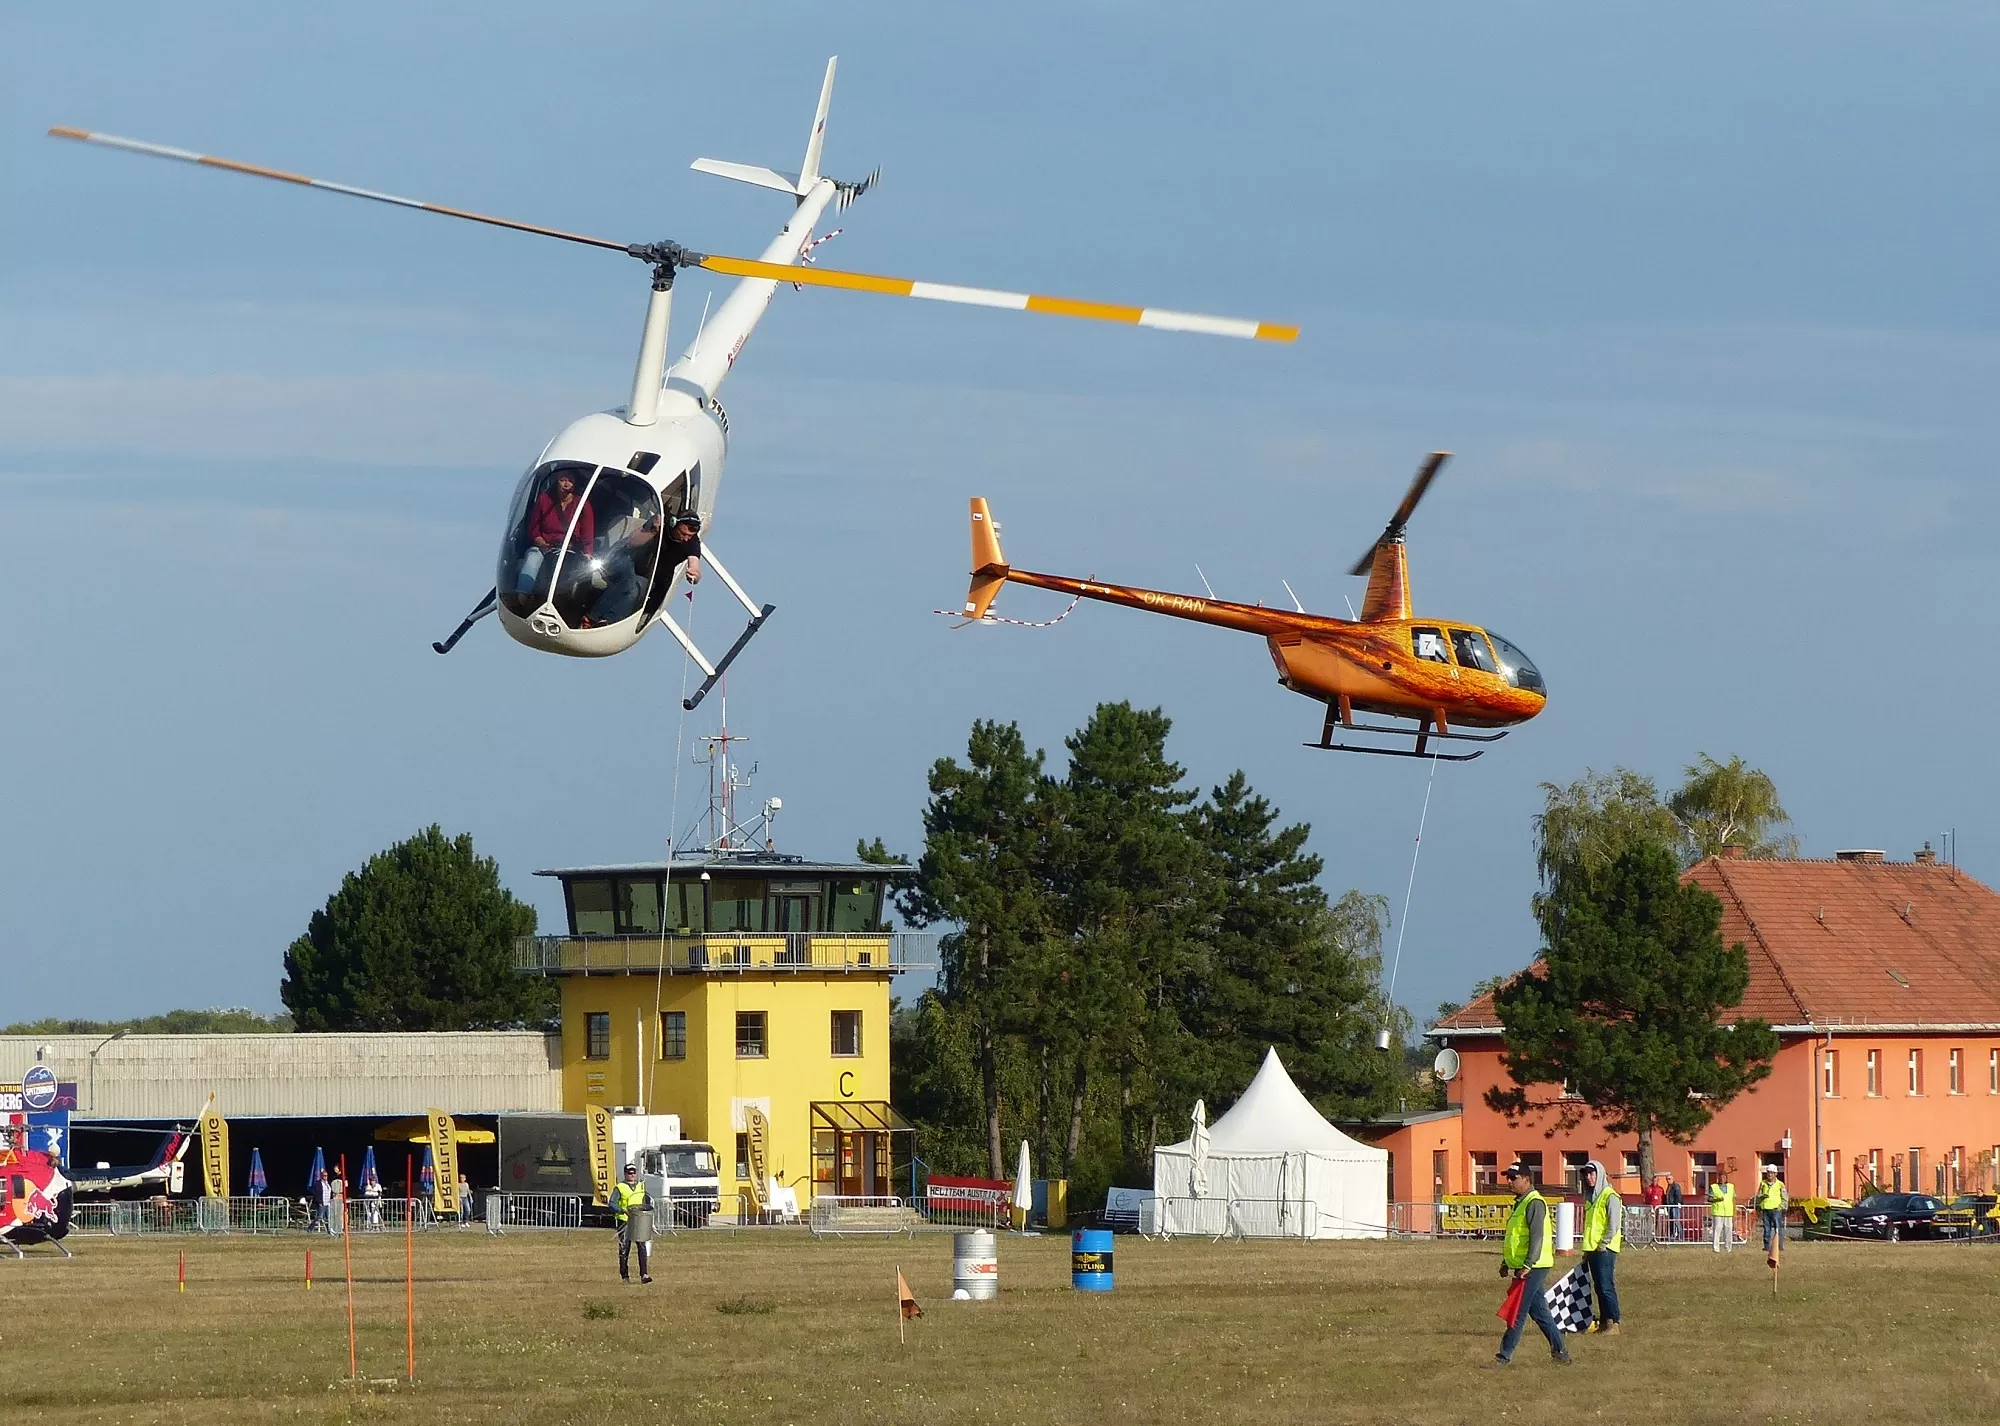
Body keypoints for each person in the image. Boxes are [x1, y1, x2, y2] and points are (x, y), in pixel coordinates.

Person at [1488, 1162, 1572, 1367]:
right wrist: (1506, 1263)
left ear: (1526, 1179)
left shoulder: (1534, 1203)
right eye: (1508, 1177)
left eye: (1513, 1178)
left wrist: (1528, 1264)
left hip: (1534, 1267)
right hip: (1527, 1265)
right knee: (1540, 1312)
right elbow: (1516, 1238)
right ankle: (1560, 1352)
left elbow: (1537, 1237)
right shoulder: (1521, 1202)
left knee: (1518, 1311)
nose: (1509, 1182)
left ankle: (1503, 1356)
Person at [515, 467, 595, 597]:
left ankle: (569, 602)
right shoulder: (544, 500)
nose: (566, 484)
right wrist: (540, 542)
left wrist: (587, 553)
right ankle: (522, 595)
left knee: (575, 570)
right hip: (545, 547)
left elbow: (587, 533)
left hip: (569, 550)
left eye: (570, 481)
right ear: (556, 481)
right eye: (562, 480)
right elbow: (534, 528)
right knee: (532, 557)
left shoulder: (582, 504)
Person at [1579, 1160, 1623, 1335]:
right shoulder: (1590, 1198)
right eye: (1586, 1174)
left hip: (1605, 1249)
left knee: (1606, 1286)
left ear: (1600, 1174)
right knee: (1598, 1286)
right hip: (1593, 1249)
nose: (1589, 1178)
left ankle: (1614, 1322)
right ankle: (1605, 1321)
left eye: (1592, 1173)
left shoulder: (1609, 1196)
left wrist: (1603, 1244)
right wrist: (1587, 1251)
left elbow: (1613, 1225)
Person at [613, 1163, 653, 1284]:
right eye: (629, 1173)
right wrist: (622, 1210)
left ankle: (644, 1274)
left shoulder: (641, 1186)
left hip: (639, 1220)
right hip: (624, 1220)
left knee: (642, 1246)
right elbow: (612, 1203)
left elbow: (645, 1202)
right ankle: (625, 1275)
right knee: (625, 1248)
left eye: (633, 1172)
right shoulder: (619, 1187)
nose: (632, 1175)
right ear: (625, 1174)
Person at [1757, 1165, 1788, 1257]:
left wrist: (1782, 1207)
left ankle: (1779, 1246)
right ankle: (1766, 1247)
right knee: (1767, 1229)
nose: (1769, 1175)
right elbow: (1758, 1195)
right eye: (1768, 1172)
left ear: (1775, 1174)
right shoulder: (1763, 1183)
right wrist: (1762, 1197)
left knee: (1778, 1229)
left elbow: (1784, 1197)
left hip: (1776, 1210)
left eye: (1771, 1173)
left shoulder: (1780, 1184)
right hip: (1766, 1209)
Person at [1709, 1173, 1737, 1253]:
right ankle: (1716, 1248)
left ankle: (1728, 1248)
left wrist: (1734, 1211)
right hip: (1718, 1212)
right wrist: (1716, 1200)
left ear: (1726, 1178)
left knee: (1728, 1231)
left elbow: (1733, 1199)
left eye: (1724, 1177)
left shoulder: (1731, 1187)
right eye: (1720, 1177)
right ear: (1718, 1178)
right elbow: (1709, 1198)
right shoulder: (1714, 1187)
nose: (1722, 1179)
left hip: (1728, 1212)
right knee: (1717, 1230)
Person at [1665, 1177, 1684, 1242]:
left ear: (1673, 1179)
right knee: (1672, 1221)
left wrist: (1677, 1203)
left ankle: (1680, 1236)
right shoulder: (1669, 1187)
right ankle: (1672, 1236)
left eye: (1669, 1179)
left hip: (1674, 1206)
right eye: (1667, 1179)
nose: (1668, 1180)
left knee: (1676, 1221)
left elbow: (1678, 1195)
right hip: (1670, 1206)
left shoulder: (1675, 1186)